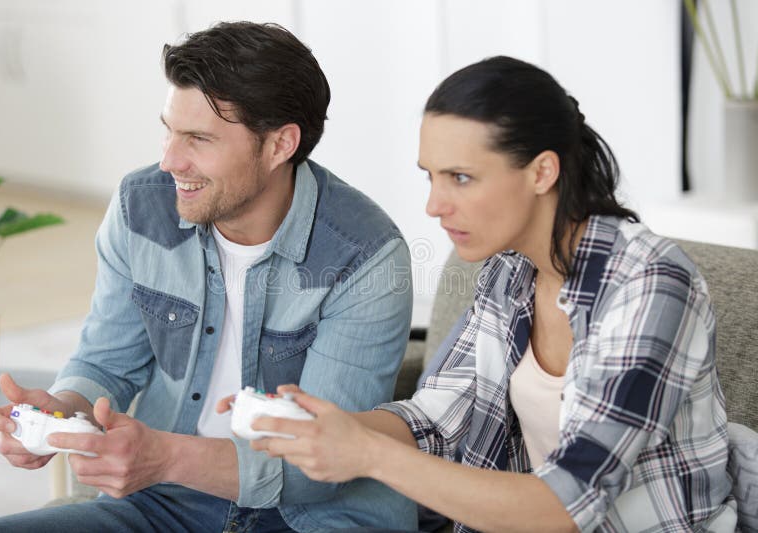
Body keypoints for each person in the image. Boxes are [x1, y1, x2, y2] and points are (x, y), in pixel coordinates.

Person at [246, 56, 738, 532]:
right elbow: (439, 420)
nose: (435, 205)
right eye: (430, 176)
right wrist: (316, 426)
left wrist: (369, 454)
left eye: (460, 177)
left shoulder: (649, 284)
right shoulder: (508, 272)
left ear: (542, 172)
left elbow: (567, 505)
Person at [0, 21, 417, 532]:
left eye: (199, 139)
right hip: (164, 504)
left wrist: (164, 457)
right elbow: (106, 363)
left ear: (279, 145)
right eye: (169, 130)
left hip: (315, 518)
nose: (170, 161)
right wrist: (62, 412)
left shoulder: (367, 255)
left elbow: (321, 466)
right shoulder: (143, 207)